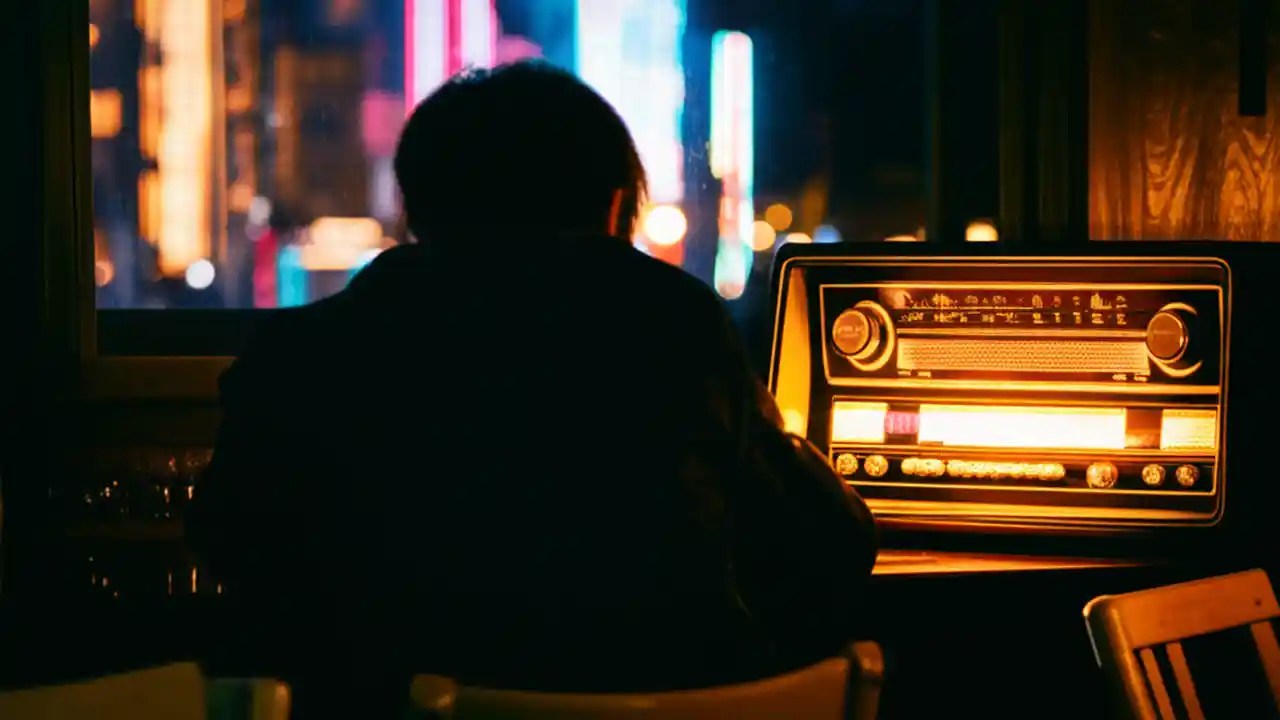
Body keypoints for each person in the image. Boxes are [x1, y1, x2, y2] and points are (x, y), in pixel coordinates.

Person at [187, 61, 877, 717]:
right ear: (614, 208)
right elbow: (828, 548)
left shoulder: (303, 352)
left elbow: (231, 547)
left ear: (418, 213)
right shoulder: (674, 323)